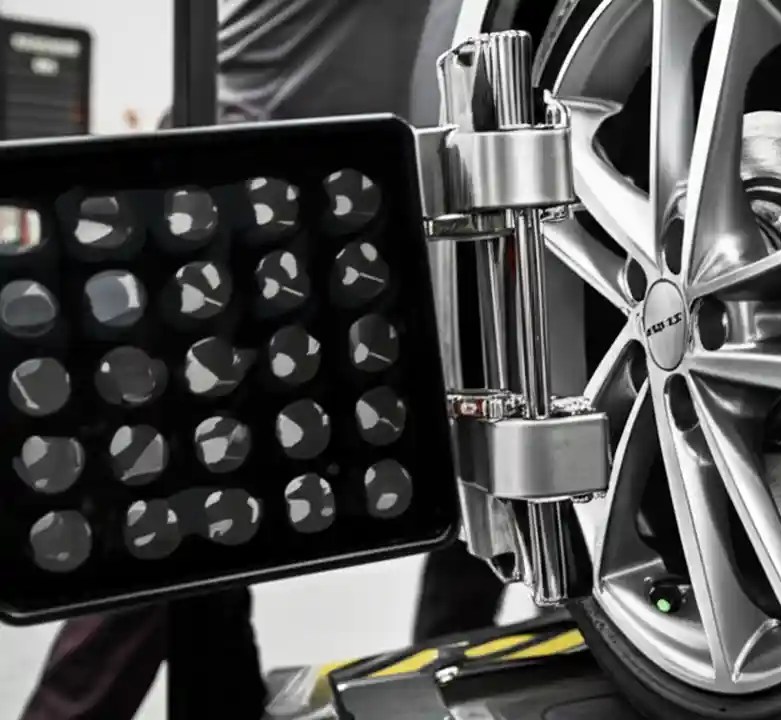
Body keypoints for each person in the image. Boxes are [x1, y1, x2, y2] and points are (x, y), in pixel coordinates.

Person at [22, 1, 504, 717]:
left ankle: (438, 685)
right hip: (221, 206)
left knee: (481, 425)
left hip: (341, 207)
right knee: (180, 498)